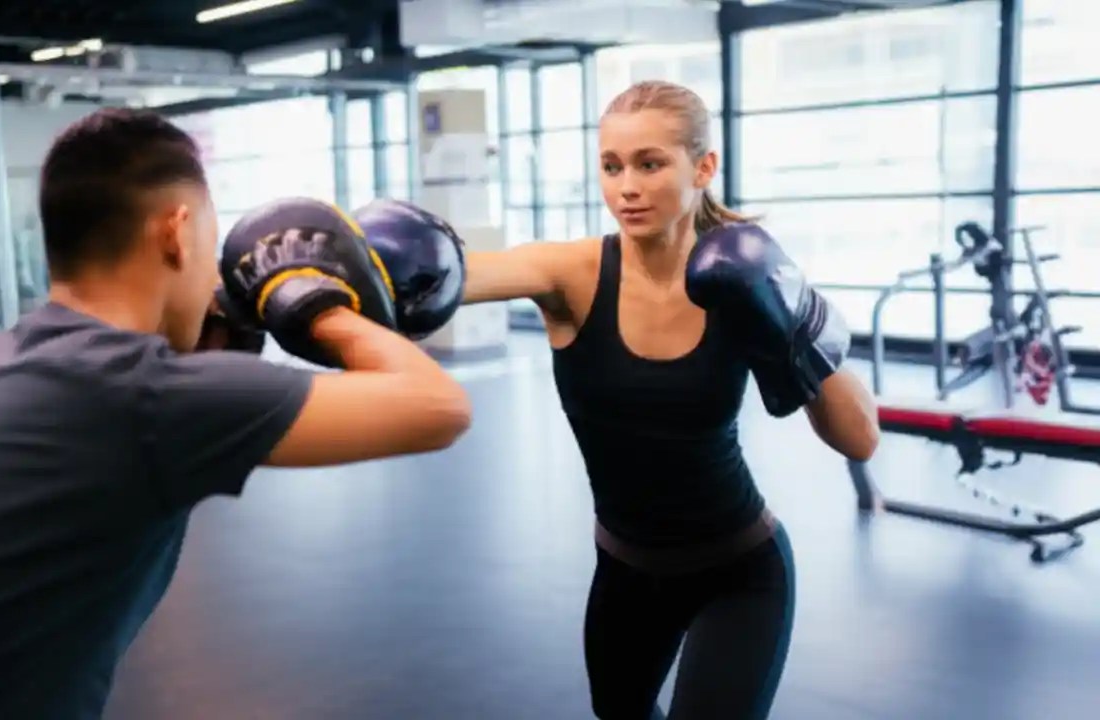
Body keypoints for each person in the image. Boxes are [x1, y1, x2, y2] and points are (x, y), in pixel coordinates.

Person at [0, 108, 471, 719]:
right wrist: (307, 298)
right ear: (178, 232)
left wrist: (200, 363)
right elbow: (437, 406)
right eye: (213, 239)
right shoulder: (136, 395)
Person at [358, 80, 880, 719]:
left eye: (650, 163)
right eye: (611, 166)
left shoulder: (743, 276)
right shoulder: (572, 274)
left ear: (703, 167)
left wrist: (793, 319)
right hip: (626, 572)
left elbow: (860, 438)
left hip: (741, 571)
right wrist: (351, 265)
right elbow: (458, 271)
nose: (625, 187)